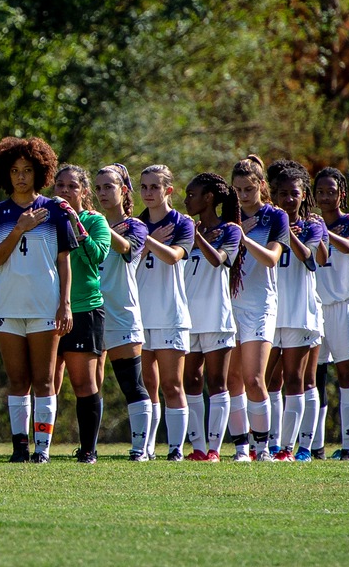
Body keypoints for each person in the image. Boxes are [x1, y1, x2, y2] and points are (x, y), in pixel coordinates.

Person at [0, 137, 76, 463]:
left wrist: (65, 304)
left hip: (44, 305)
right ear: (5, 174)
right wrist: (18, 229)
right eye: (14, 171)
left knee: (44, 380)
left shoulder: (55, 211)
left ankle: (43, 448)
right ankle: (20, 447)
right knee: (17, 380)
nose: (21, 176)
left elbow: (64, 261)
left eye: (27, 170)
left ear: (40, 172)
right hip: (9, 306)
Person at [226, 156, 288, 461]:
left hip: (261, 305)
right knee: (232, 380)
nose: (243, 195)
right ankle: (241, 448)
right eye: (237, 190)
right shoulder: (229, 216)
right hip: (229, 304)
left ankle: (262, 448)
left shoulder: (275, 217)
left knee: (254, 379)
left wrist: (243, 238)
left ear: (261, 185)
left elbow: (271, 258)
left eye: (248, 189)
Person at [132, 165, 196, 460]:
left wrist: (148, 240)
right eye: (144, 187)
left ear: (168, 190)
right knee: (147, 386)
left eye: (155, 187)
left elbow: (173, 257)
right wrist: (146, 238)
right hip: (139, 314)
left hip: (170, 314)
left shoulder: (182, 223)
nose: (148, 193)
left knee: (172, 385)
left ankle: (175, 449)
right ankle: (146, 448)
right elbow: (126, 258)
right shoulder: (136, 223)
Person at [50, 165, 110, 463]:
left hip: (85, 309)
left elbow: (96, 256)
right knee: (47, 383)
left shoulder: (95, 220)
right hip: (47, 311)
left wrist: (75, 221)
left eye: (72, 186)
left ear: (84, 191)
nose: (64, 190)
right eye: (59, 185)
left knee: (84, 383)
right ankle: (41, 448)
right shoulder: (45, 219)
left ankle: (88, 450)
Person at [182, 173, 242, 462]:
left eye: (191, 195)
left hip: (216, 317)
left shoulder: (230, 230)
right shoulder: (185, 228)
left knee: (217, 382)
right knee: (190, 381)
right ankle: (197, 447)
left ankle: (215, 449)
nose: (186, 200)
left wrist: (197, 238)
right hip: (186, 318)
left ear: (208, 198)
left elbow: (219, 260)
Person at [268, 160, 324, 460]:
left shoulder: (313, 225)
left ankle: (291, 448)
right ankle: (268, 443)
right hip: (269, 310)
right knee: (266, 380)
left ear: (304, 195)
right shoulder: (265, 222)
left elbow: (309, 258)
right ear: (274, 195)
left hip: (300, 311)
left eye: (295, 193)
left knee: (295, 379)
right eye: (283, 194)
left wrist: (286, 232)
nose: (289, 199)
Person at [93, 166, 150, 458]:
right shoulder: (92, 223)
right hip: (91, 310)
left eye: (108, 187)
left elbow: (128, 250)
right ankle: (89, 447)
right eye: (98, 188)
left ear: (123, 190)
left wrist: (99, 227)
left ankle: (141, 448)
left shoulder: (135, 226)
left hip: (122, 312)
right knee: (91, 384)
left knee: (132, 383)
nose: (102, 193)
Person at [312, 167, 349, 459]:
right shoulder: (308, 223)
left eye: (330, 191)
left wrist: (324, 232)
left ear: (341, 194)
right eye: (320, 192)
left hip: (343, 305)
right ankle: (315, 446)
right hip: (314, 306)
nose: (325, 197)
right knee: (315, 376)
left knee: (348, 375)